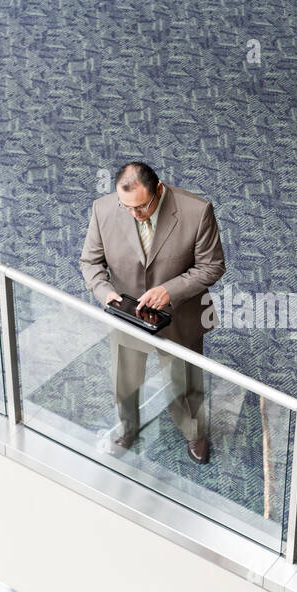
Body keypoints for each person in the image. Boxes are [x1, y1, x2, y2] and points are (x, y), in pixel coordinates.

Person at [79, 162, 225, 463]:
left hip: (179, 315)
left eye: (141, 207)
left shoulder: (197, 212)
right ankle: (128, 427)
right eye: (126, 206)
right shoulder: (103, 210)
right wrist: (106, 294)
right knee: (125, 380)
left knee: (185, 383)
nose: (134, 214)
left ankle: (193, 432)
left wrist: (170, 290)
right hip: (128, 315)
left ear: (158, 190)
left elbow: (212, 266)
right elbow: (90, 263)